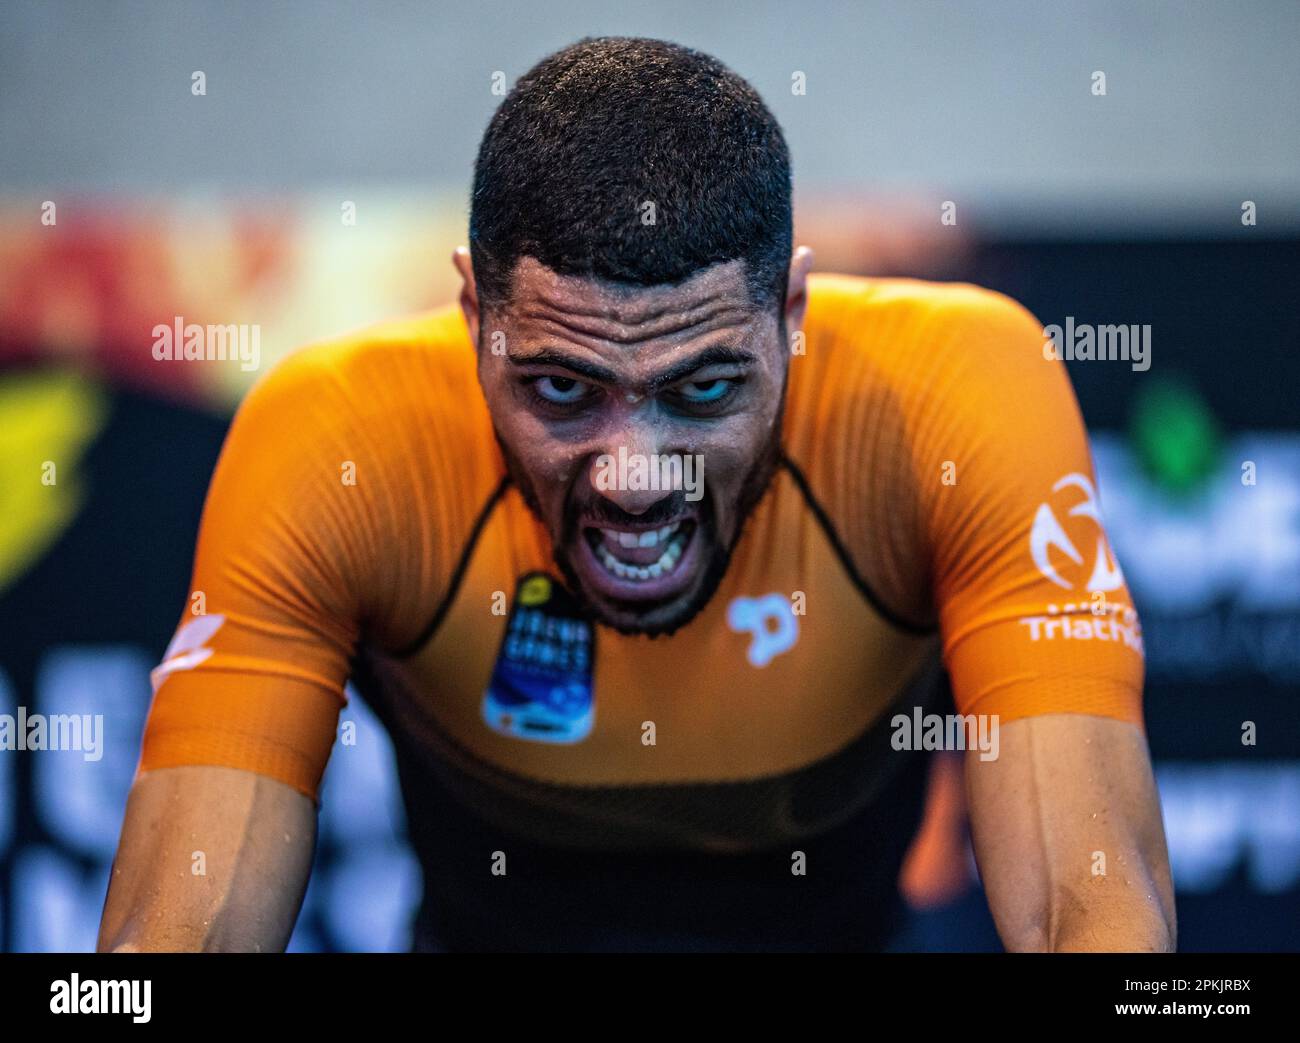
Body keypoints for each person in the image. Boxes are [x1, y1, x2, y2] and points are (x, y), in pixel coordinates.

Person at [99, 36, 1174, 953]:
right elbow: (168, 949)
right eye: (562, 389)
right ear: (474, 315)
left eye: (703, 388)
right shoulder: (338, 437)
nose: (633, 478)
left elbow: (1092, 914)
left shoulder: (952, 389)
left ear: (791, 313)